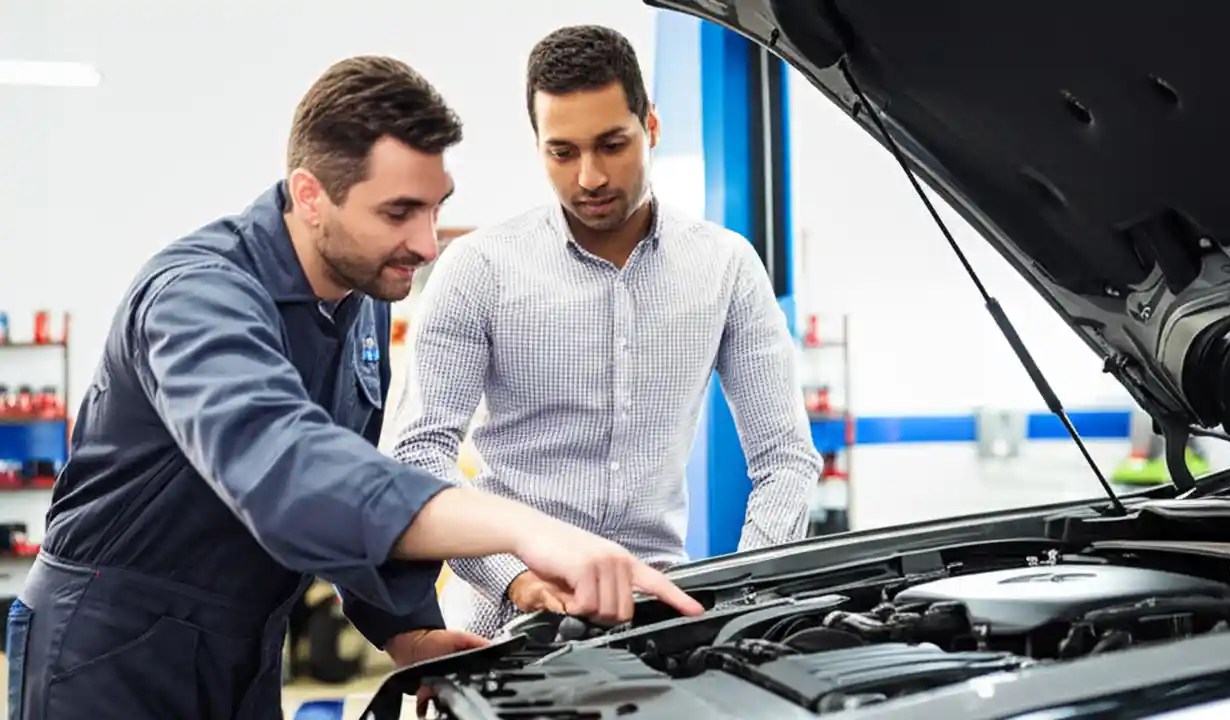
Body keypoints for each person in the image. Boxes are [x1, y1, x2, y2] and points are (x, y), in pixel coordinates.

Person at [4, 55, 701, 720]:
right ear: (311, 196)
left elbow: (352, 487)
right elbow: (294, 471)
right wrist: (528, 529)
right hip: (109, 650)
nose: (429, 245)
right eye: (399, 213)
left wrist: (407, 630)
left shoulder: (361, 297)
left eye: (436, 208)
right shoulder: (197, 297)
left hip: (244, 644)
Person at [391, 25, 822, 638]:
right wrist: (515, 575)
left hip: (659, 613)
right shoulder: (478, 270)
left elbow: (786, 456)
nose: (589, 177)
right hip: (499, 618)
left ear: (651, 127)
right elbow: (418, 456)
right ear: (537, 145)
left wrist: (740, 597)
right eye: (562, 153)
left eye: (612, 144)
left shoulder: (725, 267)